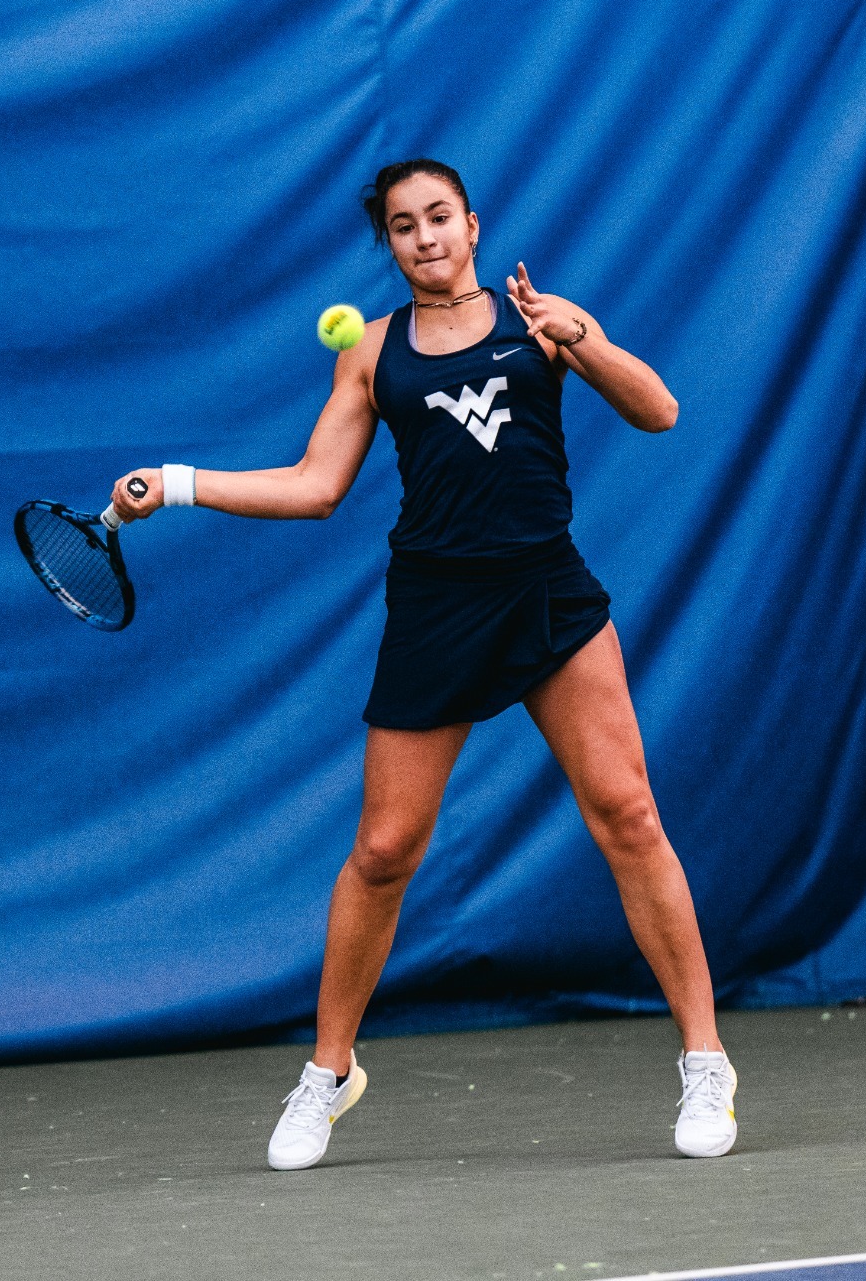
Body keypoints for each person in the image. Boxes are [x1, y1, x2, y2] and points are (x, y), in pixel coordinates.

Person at [108, 159, 735, 1170]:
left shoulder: (541, 320)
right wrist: (177, 482)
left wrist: (578, 338)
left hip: (547, 594)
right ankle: (328, 1071)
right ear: (390, 244)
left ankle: (704, 1058)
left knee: (627, 812)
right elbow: (315, 486)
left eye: (437, 216)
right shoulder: (372, 353)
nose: (423, 236)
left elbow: (657, 408)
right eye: (402, 226)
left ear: (472, 224)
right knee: (385, 848)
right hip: (435, 607)